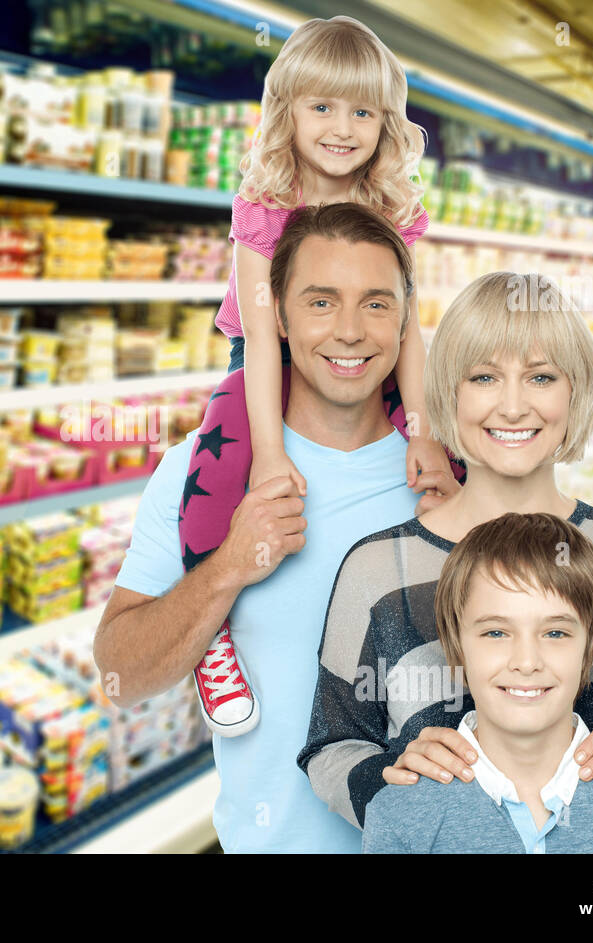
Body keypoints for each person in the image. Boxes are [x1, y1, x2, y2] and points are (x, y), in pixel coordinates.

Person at [299, 272, 593, 830]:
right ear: (448, 394)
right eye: (483, 377)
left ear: (574, 391)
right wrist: (390, 781)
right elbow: (332, 746)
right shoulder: (379, 570)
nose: (511, 406)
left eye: (541, 376)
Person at [95, 202, 445, 853]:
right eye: (320, 302)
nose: (349, 331)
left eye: (375, 303)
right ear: (277, 316)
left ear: (405, 318)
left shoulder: (449, 479)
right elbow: (122, 672)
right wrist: (227, 566)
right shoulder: (198, 472)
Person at [180, 15, 461, 738]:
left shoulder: (391, 210)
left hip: (366, 355)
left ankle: (463, 609)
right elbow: (263, 335)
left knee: (455, 456)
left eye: (363, 111)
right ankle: (212, 633)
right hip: (265, 353)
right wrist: (270, 453)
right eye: (323, 107)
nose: (343, 127)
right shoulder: (264, 206)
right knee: (217, 459)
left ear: (386, 123)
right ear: (289, 112)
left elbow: (406, 326)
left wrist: (424, 429)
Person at [362, 512, 593, 853]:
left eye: (555, 632)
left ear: (592, 644)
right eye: (495, 632)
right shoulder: (398, 815)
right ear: (455, 643)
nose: (526, 662)